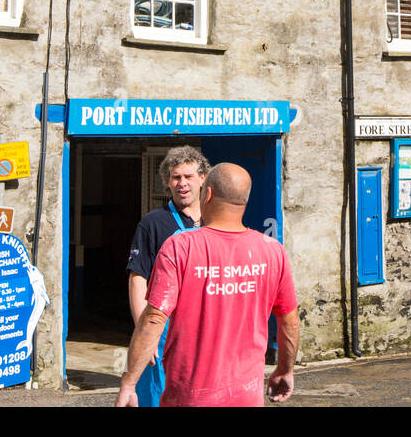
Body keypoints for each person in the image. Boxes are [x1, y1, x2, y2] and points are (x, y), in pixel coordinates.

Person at [116, 162, 298, 407]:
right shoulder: (272, 251)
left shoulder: (180, 247)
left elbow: (153, 319)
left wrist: (129, 384)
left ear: (207, 194)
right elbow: (289, 320)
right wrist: (285, 370)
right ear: (244, 200)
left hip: (189, 396)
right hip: (246, 396)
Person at [124, 145, 207, 407]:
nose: (182, 184)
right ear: (167, 182)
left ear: (203, 178)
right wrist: (144, 335)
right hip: (163, 331)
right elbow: (138, 278)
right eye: (176, 178)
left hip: (205, 328)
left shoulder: (215, 221)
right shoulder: (152, 223)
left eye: (188, 177)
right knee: (160, 396)